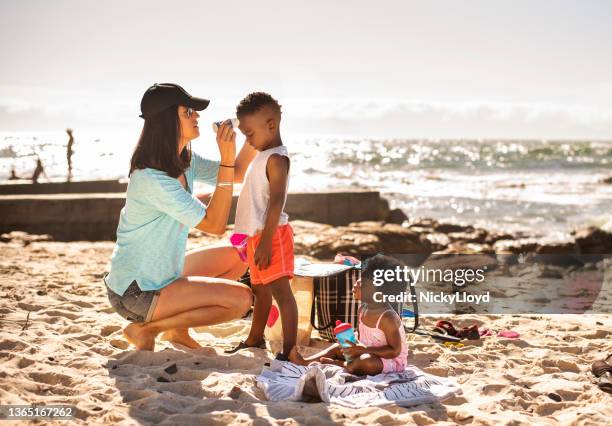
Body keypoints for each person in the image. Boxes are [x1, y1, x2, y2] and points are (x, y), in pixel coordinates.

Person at [104, 83, 257, 351]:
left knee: (237, 255)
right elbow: (215, 224)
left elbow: (237, 174)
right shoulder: (151, 177)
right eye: (188, 112)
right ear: (167, 122)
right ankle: (147, 329)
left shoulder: (185, 160)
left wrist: (252, 131)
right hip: (136, 292)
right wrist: (226, 159)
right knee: (241, 300)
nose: (196, 116)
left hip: (162, 275)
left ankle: (177, 330)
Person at [224, 92, 297, 361]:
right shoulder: (263, 153)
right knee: (260, 291)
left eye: (250, 134)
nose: (248, 140)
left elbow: (277, 201)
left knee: (281, 292)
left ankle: (290, 351)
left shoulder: (277, 158)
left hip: (272, 235)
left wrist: (266, 241)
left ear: (271, 125)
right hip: (258, 236)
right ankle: (255, 339)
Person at [289, 254, 409, 375]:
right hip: (366, 351)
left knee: (367, 362)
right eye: (360, 279)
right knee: (337, 347)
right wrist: (351, 343)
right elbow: (361, 337)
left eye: (364, 284)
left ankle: (341, 365)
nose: (357, 283)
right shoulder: (363, 308)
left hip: (389, 361)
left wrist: (363, 350)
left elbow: (394, 351)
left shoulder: (388, 318)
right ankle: (305, 362)